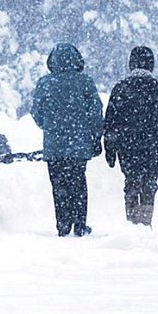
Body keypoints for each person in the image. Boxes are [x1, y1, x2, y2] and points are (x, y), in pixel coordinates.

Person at [30, 42, 104, 236]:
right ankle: (79, 224)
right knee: (78, 184)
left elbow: (36, 112)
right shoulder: (84, 82)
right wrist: (95, 134)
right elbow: (95, 112)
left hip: (54, 146)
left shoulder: (45, 83)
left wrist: (51, 127)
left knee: (59, 185)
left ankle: (63, 224)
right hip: (78, 145)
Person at [102, 45, 158, 226]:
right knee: (149, 185)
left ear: (131, 64)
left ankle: (132, 220)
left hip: (127, 147)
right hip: (154, 147)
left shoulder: (120, 89)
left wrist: (110, 150)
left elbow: (110, 123)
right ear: (151, 65)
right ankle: (145, 220)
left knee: (131, 183)